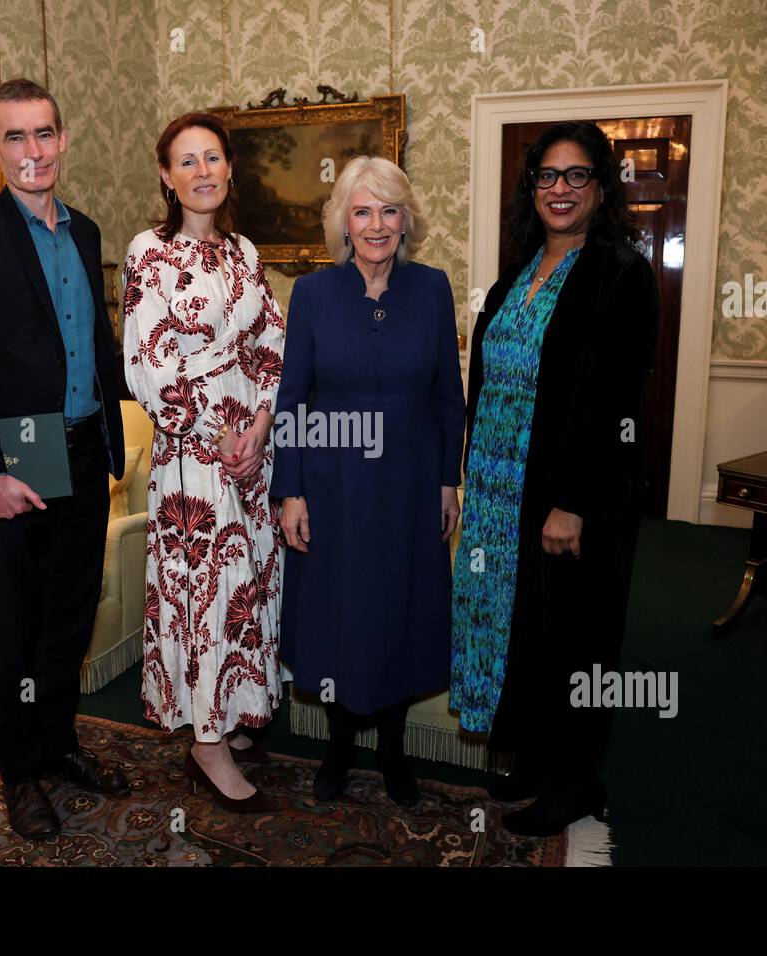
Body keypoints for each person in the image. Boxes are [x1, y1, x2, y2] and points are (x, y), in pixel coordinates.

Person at [0, 78, 130, 840]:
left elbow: (99, 348)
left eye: (43, 133)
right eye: (14, 137)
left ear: (63, 138)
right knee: (11, 628)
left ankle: (59, 745)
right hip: (11, 464)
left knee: (67, 624)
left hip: (81, 455)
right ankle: (20, 775)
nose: (32, 151)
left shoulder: (86, 232)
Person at [451, 121, 660, 837]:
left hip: (575, 495)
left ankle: (576, 781)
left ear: (601, 188)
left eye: (577, 176)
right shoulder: (518, 272)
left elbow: (611, 400)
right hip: (503, 489)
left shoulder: (622, 275)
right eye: (548, 176)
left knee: (576, 633)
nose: (561, 189)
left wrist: (572, 502)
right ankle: (537, 758)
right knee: (522, 625)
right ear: (530, 187)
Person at [272, 156, 464, 807]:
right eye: (363, 210)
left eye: (388, 209)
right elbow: (293, 398)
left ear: (405, 218)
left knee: (401, 612)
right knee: (339, 614)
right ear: (344, 223)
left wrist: (446, 481)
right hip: (335, 488)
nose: (376, 224)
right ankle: (338, 746)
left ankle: (391, 751)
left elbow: (448, 396)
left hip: (410, 486)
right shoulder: (315, 295)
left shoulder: (433, 287)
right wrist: (291, 490)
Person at [123, 112, 285, 813]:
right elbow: (144, 362)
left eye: (212, 158)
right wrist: (218, 430)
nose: (201, 172)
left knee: (249, 582)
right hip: (194, 456)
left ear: (229, 168)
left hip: (253, 450)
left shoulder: (247, 253)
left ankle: (238, 706)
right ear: (166, 176)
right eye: (185, 161)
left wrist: (260, 419)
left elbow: (275, 343)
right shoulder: (148, 253)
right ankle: (206, 742)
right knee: (205, 592)